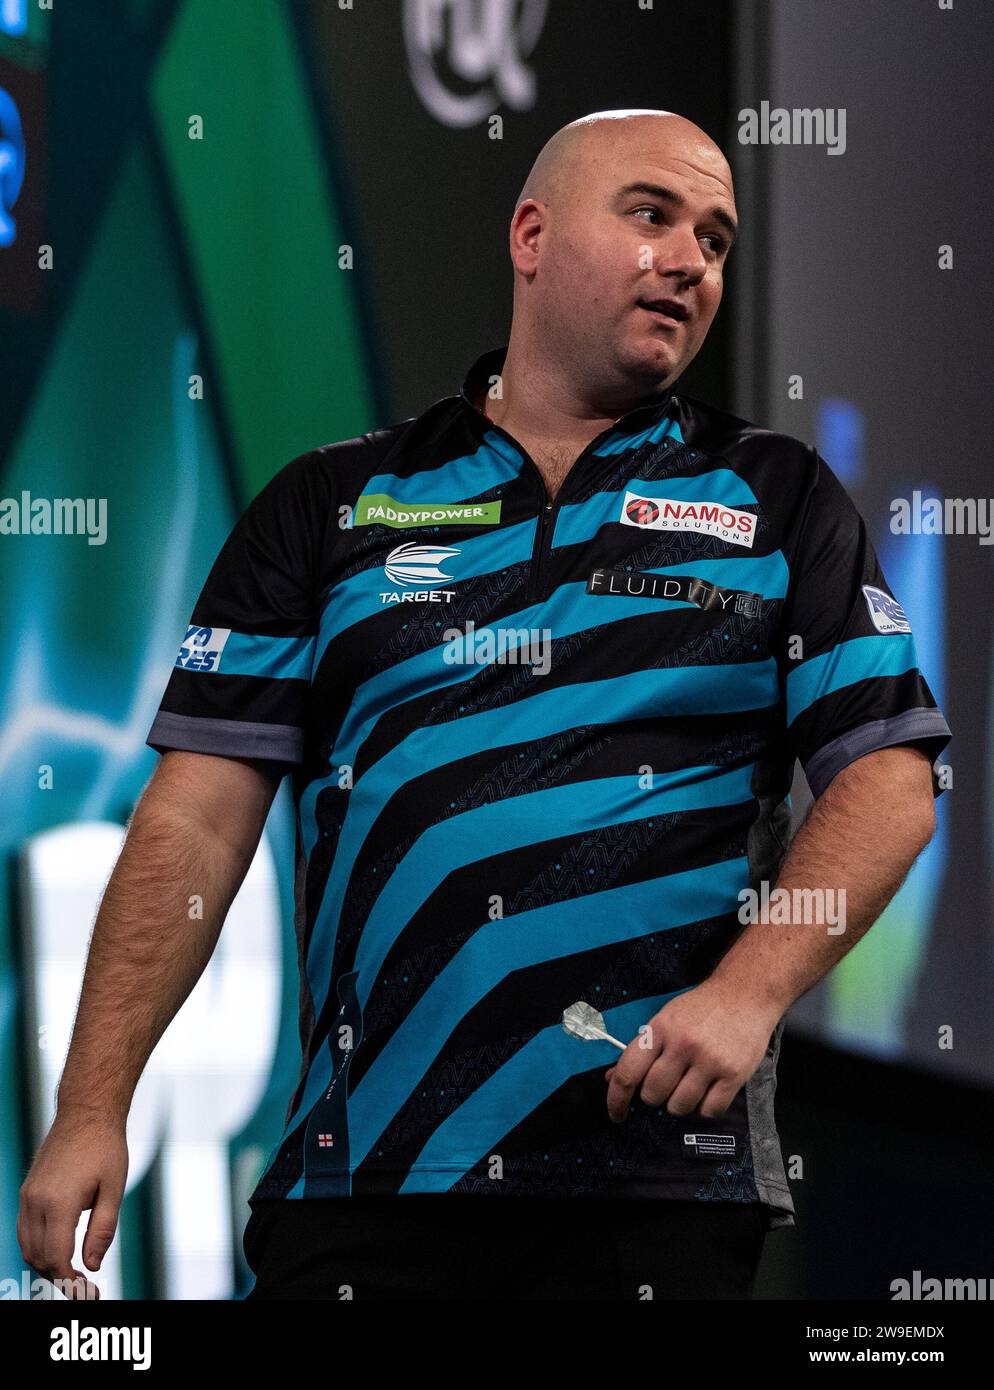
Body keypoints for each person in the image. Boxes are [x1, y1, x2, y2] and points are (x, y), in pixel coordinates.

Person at [17, 109, 952, 1301]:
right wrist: (92, 1104)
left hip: (654, 1191)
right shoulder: (332, 501)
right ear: (530, 233)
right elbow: (192, 824)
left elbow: (889, 778)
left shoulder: (779, 498)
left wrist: (747, 992)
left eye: (715, 239)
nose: (689, 261)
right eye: (651, 216)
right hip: (360, 1182)